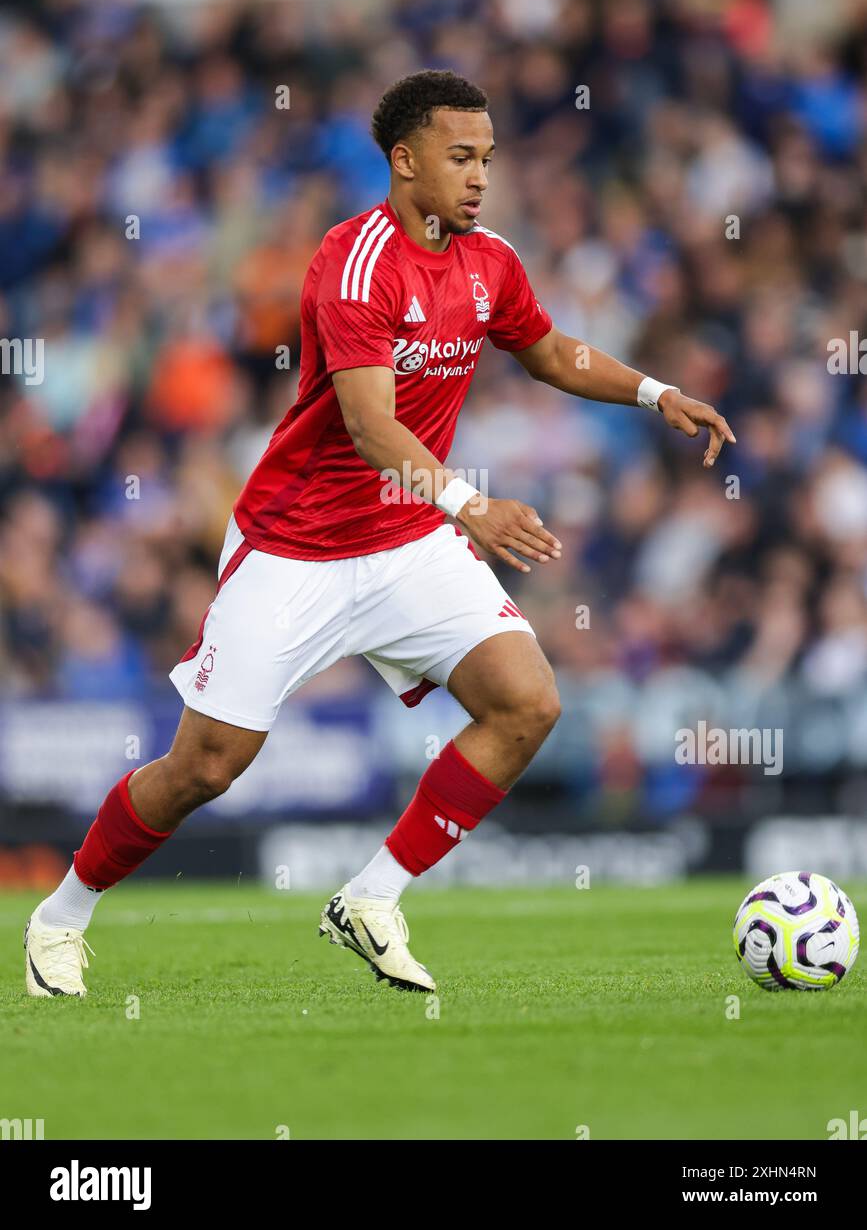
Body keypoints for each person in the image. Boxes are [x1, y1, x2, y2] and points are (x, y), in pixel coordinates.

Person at [25, 69, 734, 997]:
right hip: (297, 545)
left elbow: (552, 351)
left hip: (408, 541)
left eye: (487, 158)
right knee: (207, 765)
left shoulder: (490, 261)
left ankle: (372, 896)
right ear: (404, 161)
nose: (480, 177)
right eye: (459, 157)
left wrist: (653, 393)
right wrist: (475, 507)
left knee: (526, 703)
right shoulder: (352, 263)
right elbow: (370, 428)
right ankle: (59, 917)